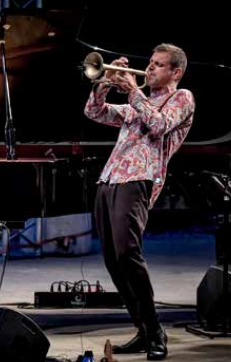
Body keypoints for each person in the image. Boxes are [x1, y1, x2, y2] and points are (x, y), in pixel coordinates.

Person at [84, 44, 195, 360]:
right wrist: (105, 81)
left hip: (138, 180)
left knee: (128, 254)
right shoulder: (138, 104)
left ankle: (155, 329)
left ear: (175, 72)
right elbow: (94, 112)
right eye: (150, 63)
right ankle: (144, 331)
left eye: (159, 65)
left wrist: (132, 90)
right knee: (113, 260)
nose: (149, 69)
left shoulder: (182, 98)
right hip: (109, 179)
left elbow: (159, 125)